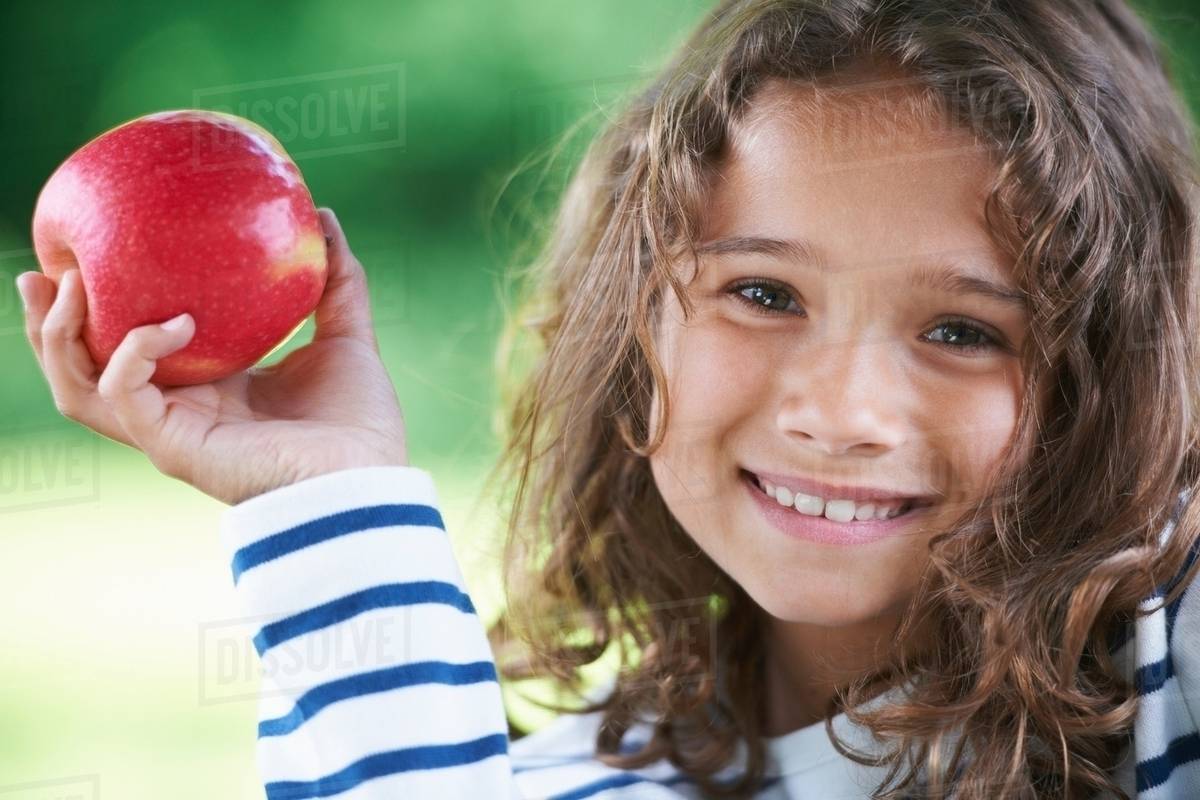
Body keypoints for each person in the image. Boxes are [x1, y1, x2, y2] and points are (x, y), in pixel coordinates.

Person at [16, 0, 1200, 797]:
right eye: (763, 293)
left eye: (961, 329)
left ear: (1119, 368)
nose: (839, 411)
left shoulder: (1161, 666)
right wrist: (334, 495)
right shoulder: (569, 777)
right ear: (635, 320)